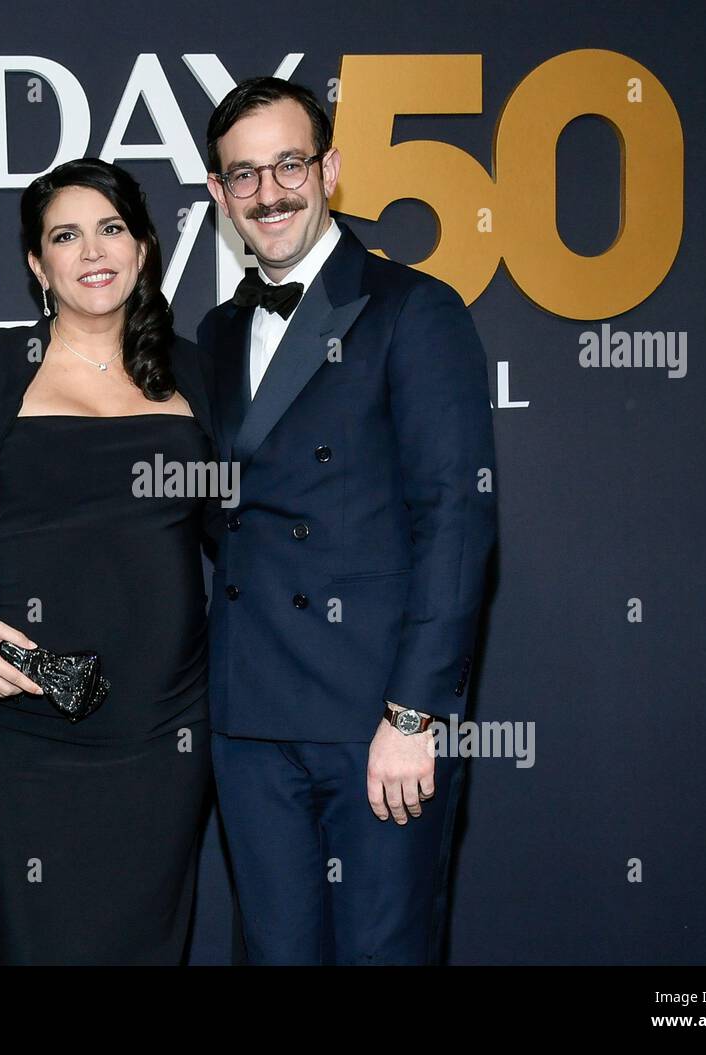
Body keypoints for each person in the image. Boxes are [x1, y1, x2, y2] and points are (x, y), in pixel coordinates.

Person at [0, 158, 217, 965]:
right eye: (66, 235)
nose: (93, 251)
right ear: (37, 263)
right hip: (21, 725)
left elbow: (244, 531)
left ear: (143, 246)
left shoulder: (197, 372)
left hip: (166, 728)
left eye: (111, 228)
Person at [193, 77, 498, 964]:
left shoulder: (414, 309)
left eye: (288, 164)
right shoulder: (212, 335)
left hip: (375, 714)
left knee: (382, 952)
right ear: (218, 195)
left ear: (329, 169)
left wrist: (414, 715)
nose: (269, 192)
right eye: (242, 176)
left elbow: (456, 519)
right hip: (248, 719)